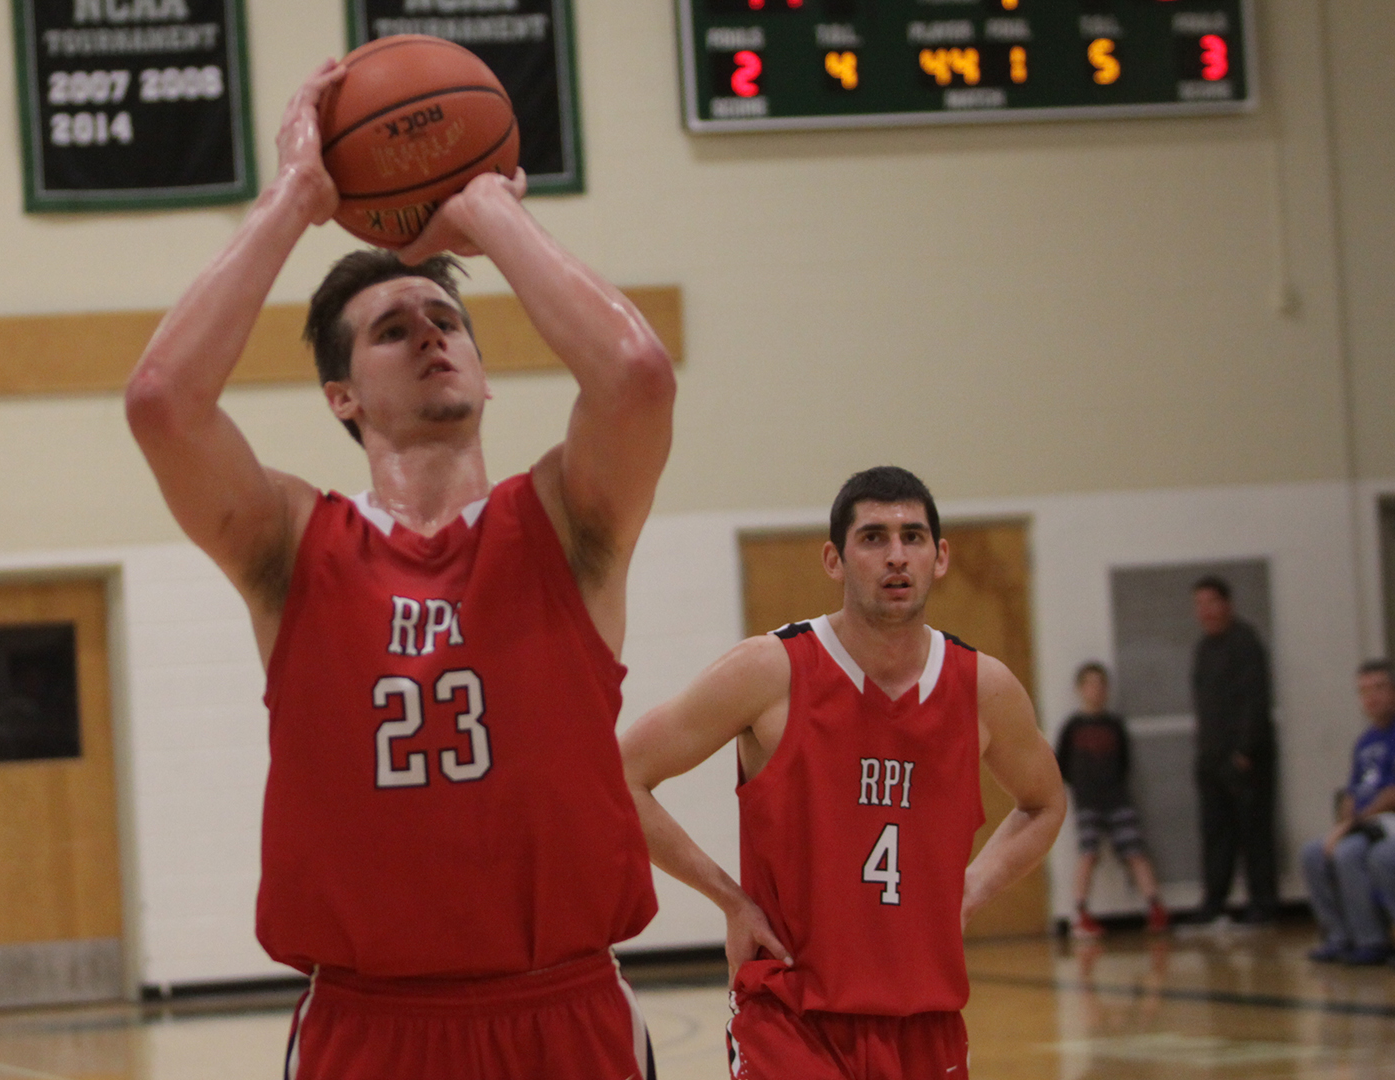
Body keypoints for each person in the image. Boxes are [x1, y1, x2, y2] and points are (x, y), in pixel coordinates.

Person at [124, 60, 676, 1080]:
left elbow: (637, 376)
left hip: (564, 1010)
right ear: (342, 397)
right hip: (368, 1029)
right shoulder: (294, 546)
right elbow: (162, 401)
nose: (431, 333)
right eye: (392, 329)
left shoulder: (565, 522)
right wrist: (297, 195)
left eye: (447, 320)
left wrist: (486, 212)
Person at [619, 466, 1066, 1079]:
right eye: (873, 538)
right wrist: (730, 901)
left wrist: (971, 889)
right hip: (791, 1016)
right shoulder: (770, 671)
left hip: (925, 1021)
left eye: (913, 537)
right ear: (834, 559)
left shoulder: (982, 688)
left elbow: (1045, 802)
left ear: (940, 557)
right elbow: (622, 775)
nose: (896, 556)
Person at [1190, 575, 1280, 925]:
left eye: (1210, 602)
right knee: (1215, 832)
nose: (1204, 611)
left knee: (1254, 832)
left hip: (1246, 759)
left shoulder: (1246, 643)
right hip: (1211, 759)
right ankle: (1214, 902)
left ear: (1227, 604)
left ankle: (1263, 903)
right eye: (1198, 604)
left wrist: (1244, 750)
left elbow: (1255, 700)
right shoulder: (1202, 649)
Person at [1056, 662, 1168, 937]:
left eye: (1101, 684)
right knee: (1088, 853)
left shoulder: (1114, 725)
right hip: (1087, 801)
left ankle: (1155, 908)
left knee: (1135, 851)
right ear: (1080, 689)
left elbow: (1124, 763)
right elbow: (1060, 764)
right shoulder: (1072, 726)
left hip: (1117, 799)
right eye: (1091, 684)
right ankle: (1080, 913)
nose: (1097, 690)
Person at [1299, 660, 1395, 965]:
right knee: (1313, 852)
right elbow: (1352, 792)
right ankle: (1340, 935)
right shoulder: (1364, 741)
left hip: (1387, 822)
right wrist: (1344, 820)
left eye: (1379, 688)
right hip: (1363, 823)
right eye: (1364, 691)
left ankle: (1372, 939)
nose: (1371, 697)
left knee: (1349, 852)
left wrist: (1351, 825)